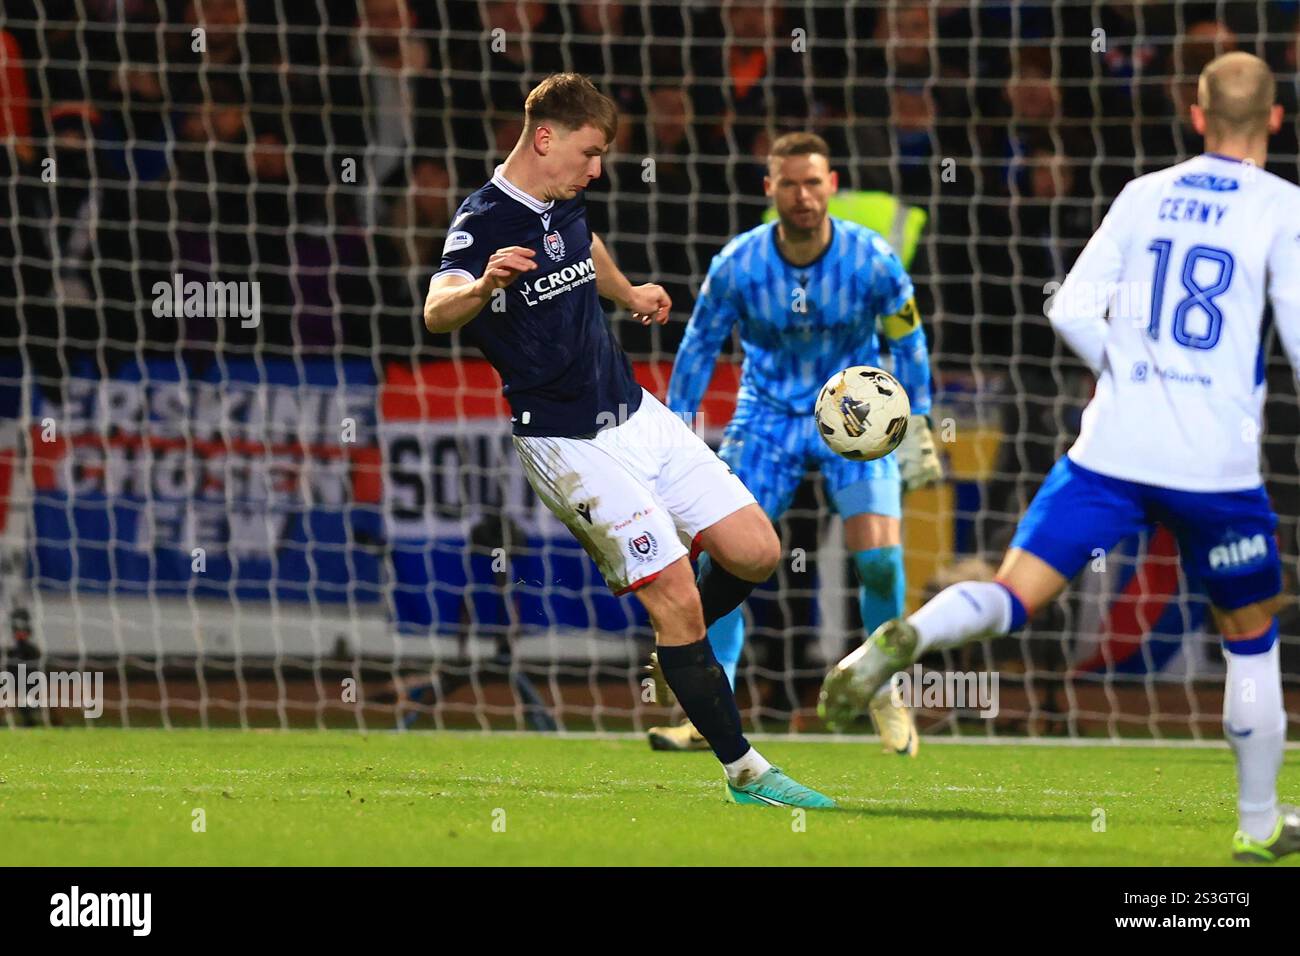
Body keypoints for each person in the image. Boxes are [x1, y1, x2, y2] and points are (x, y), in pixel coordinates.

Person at [820, 52, 1300, 862]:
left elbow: (1070, 307)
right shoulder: (1283, 208)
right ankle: (1259, 826)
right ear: (1277, 119)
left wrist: (1132, 371)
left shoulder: (1144, 194)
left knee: (1013, 593)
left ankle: (897, 644)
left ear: (1195, 112)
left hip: (1111, 445)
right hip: (1213, 467)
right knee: (1249, 638)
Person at [423, 73, 835, 808]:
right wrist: (483, 286)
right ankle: (747, 773)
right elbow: (435, 311)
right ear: (544, 138)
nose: (597, 169)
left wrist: (628, 291)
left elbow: (586, 245)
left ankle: (680, 652)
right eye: (590, 152)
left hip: (633, 411)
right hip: (565, 441)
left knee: (757, 550)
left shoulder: (563, 202)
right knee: (675, 596)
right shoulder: (482, 218)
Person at [649, 132, 942, 754]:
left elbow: (909, 340)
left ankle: (883, 691)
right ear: (770, 190)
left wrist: (919, 422)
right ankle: (711, 704)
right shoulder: (739, 264)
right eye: (790, 184)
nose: (803, 196)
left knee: (881, 559)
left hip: (856, 414)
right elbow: (699, 346)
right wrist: (676, 432)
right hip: (767, 418)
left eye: (813, 183)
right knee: (724, 555)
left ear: (831, 185)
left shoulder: (872, 259)